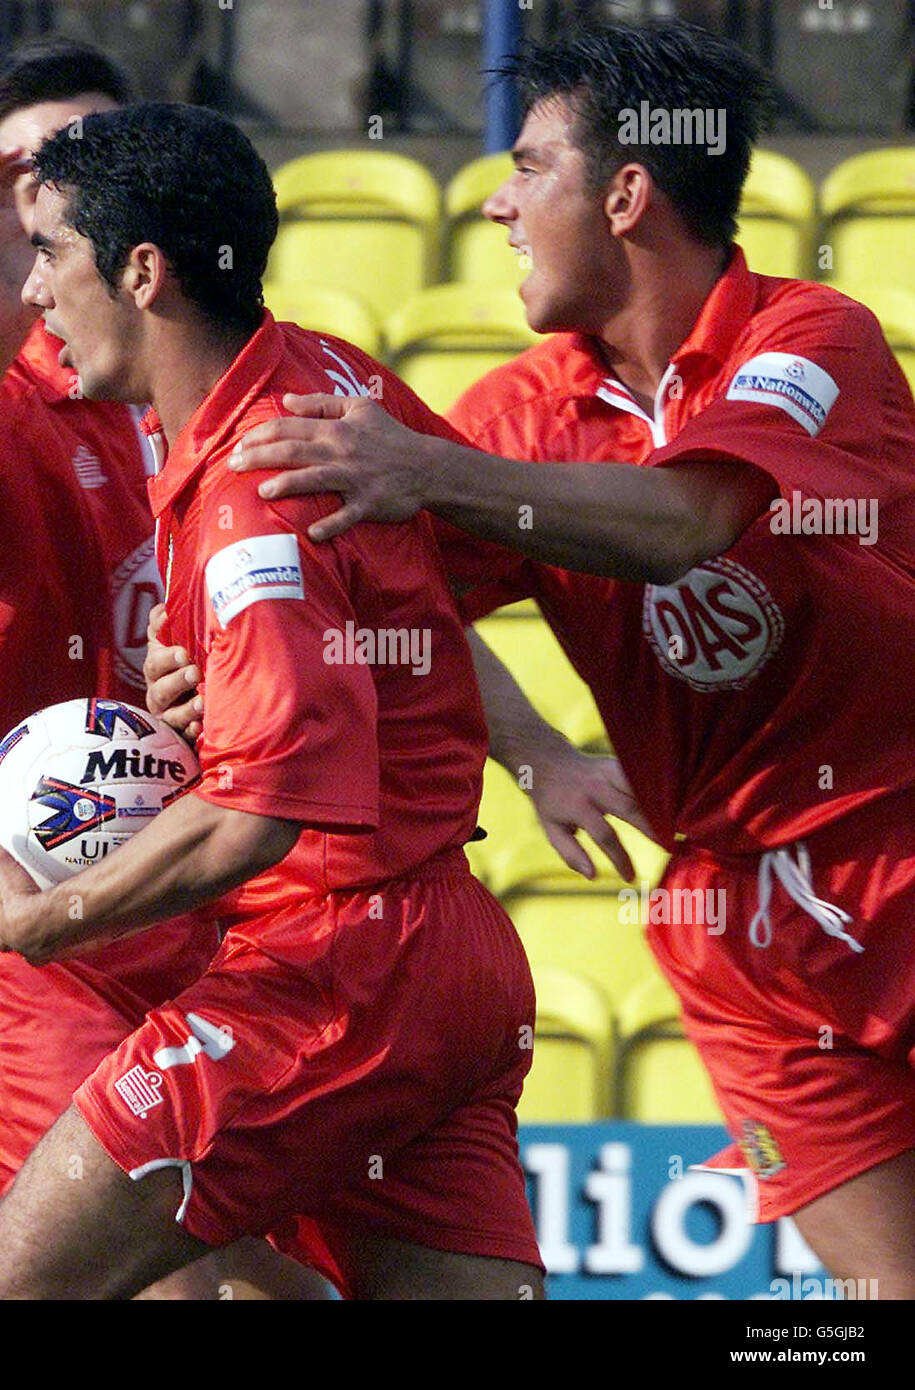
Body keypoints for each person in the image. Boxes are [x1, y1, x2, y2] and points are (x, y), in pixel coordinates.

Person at [231, 21, 915, 1298]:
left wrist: (425, 467)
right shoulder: (517, 417)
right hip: (746, 938)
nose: (495, 201)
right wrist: (531, 749)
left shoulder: (816, 339)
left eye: (530, 167)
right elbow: (399, 614)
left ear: (626, 193)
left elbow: (685, 525)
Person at [0, 100, 544, 1301]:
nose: (33, 295)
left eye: (52, 255)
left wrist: (48, 920)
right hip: (452, 960)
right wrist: (246, 672)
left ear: (140, 270)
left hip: (332, 972)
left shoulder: (249, 498)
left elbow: (258, 819)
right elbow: (472, 562)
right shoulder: (328, 378)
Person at [0, 39, 324, 1300]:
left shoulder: (212, 394)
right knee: (152, 1265)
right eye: (51, 164)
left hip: (177, 881)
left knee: (267, 1261)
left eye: (110, 150)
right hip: (9, 892)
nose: (93, 180)